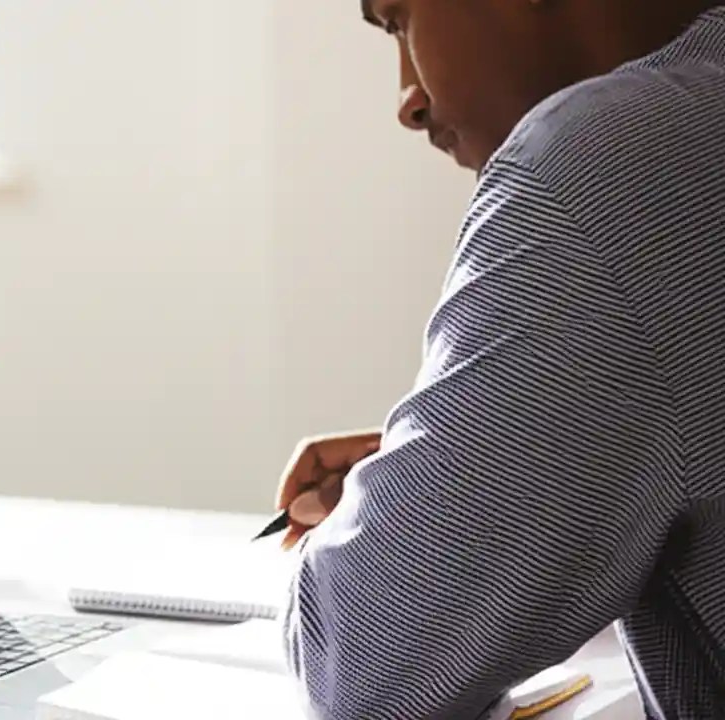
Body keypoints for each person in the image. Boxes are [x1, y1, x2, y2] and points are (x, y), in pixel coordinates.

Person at [275, 1, 725, 717]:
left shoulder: (606, 157)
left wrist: (366, 527)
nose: (409, 102)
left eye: (397, 20)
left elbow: (367, 667)